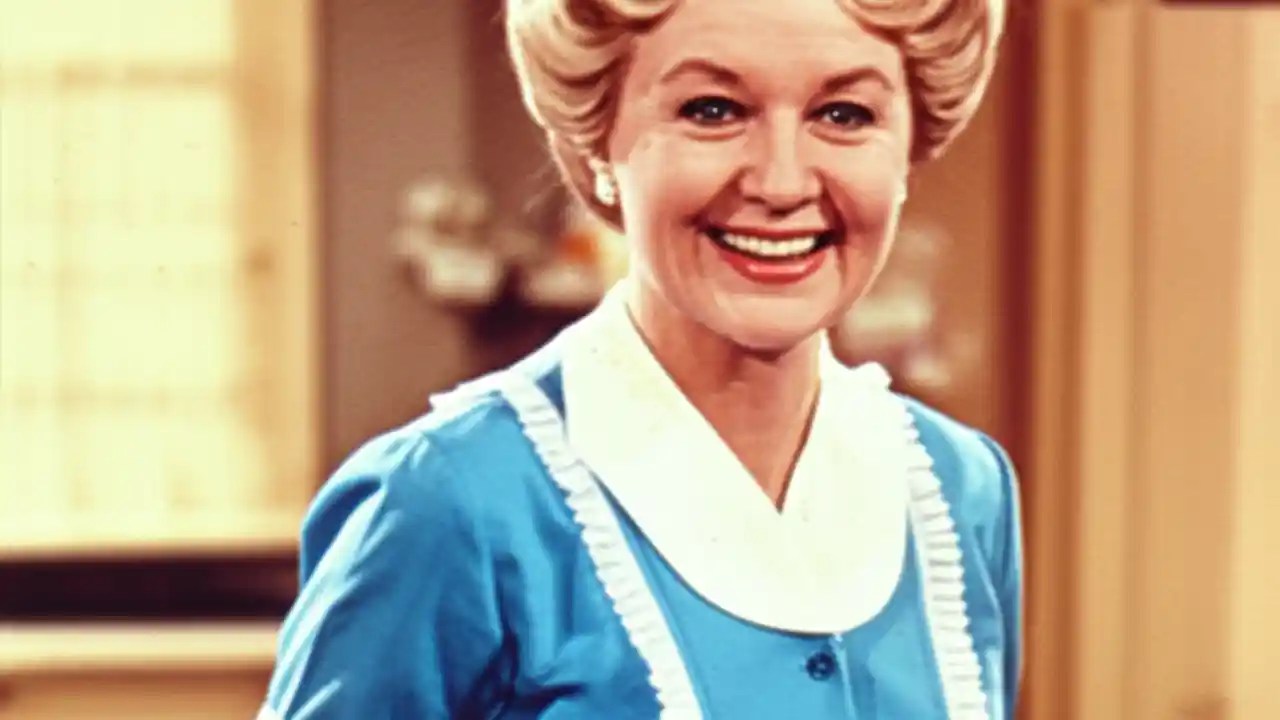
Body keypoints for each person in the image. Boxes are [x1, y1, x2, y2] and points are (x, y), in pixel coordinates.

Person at [259, 0, 1021, 716]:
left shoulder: (959, 490)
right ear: (597, 142)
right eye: (712, 111)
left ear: (910, 149)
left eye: (844, 114)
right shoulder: (448, 500)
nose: (782, 181)